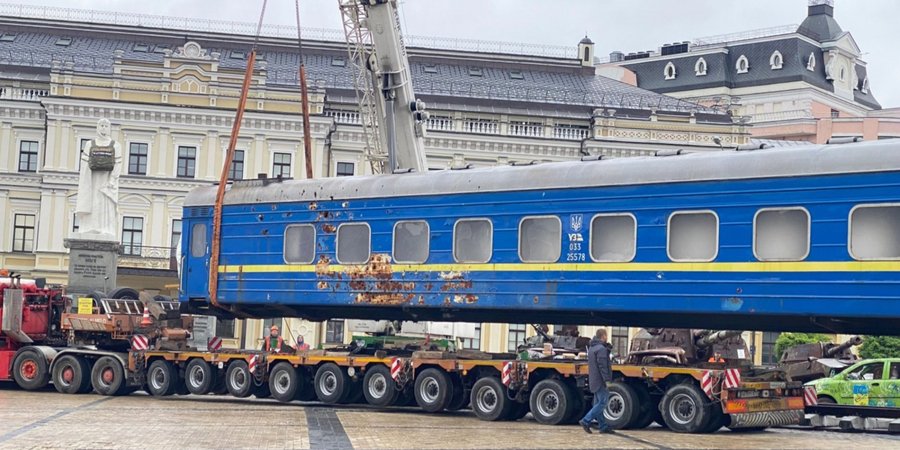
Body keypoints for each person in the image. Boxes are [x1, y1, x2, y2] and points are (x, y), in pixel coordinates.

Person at [580, 328, 615, 434]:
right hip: (600, 381)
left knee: (598, 403)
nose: (607, 337)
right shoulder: (601, 349)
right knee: (602, 403)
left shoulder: (592, 348)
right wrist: (607, 380)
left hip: (594, 379)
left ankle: (603, 426)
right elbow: (603, 366)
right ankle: (586, 420)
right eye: (606, 335)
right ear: (603, 336)